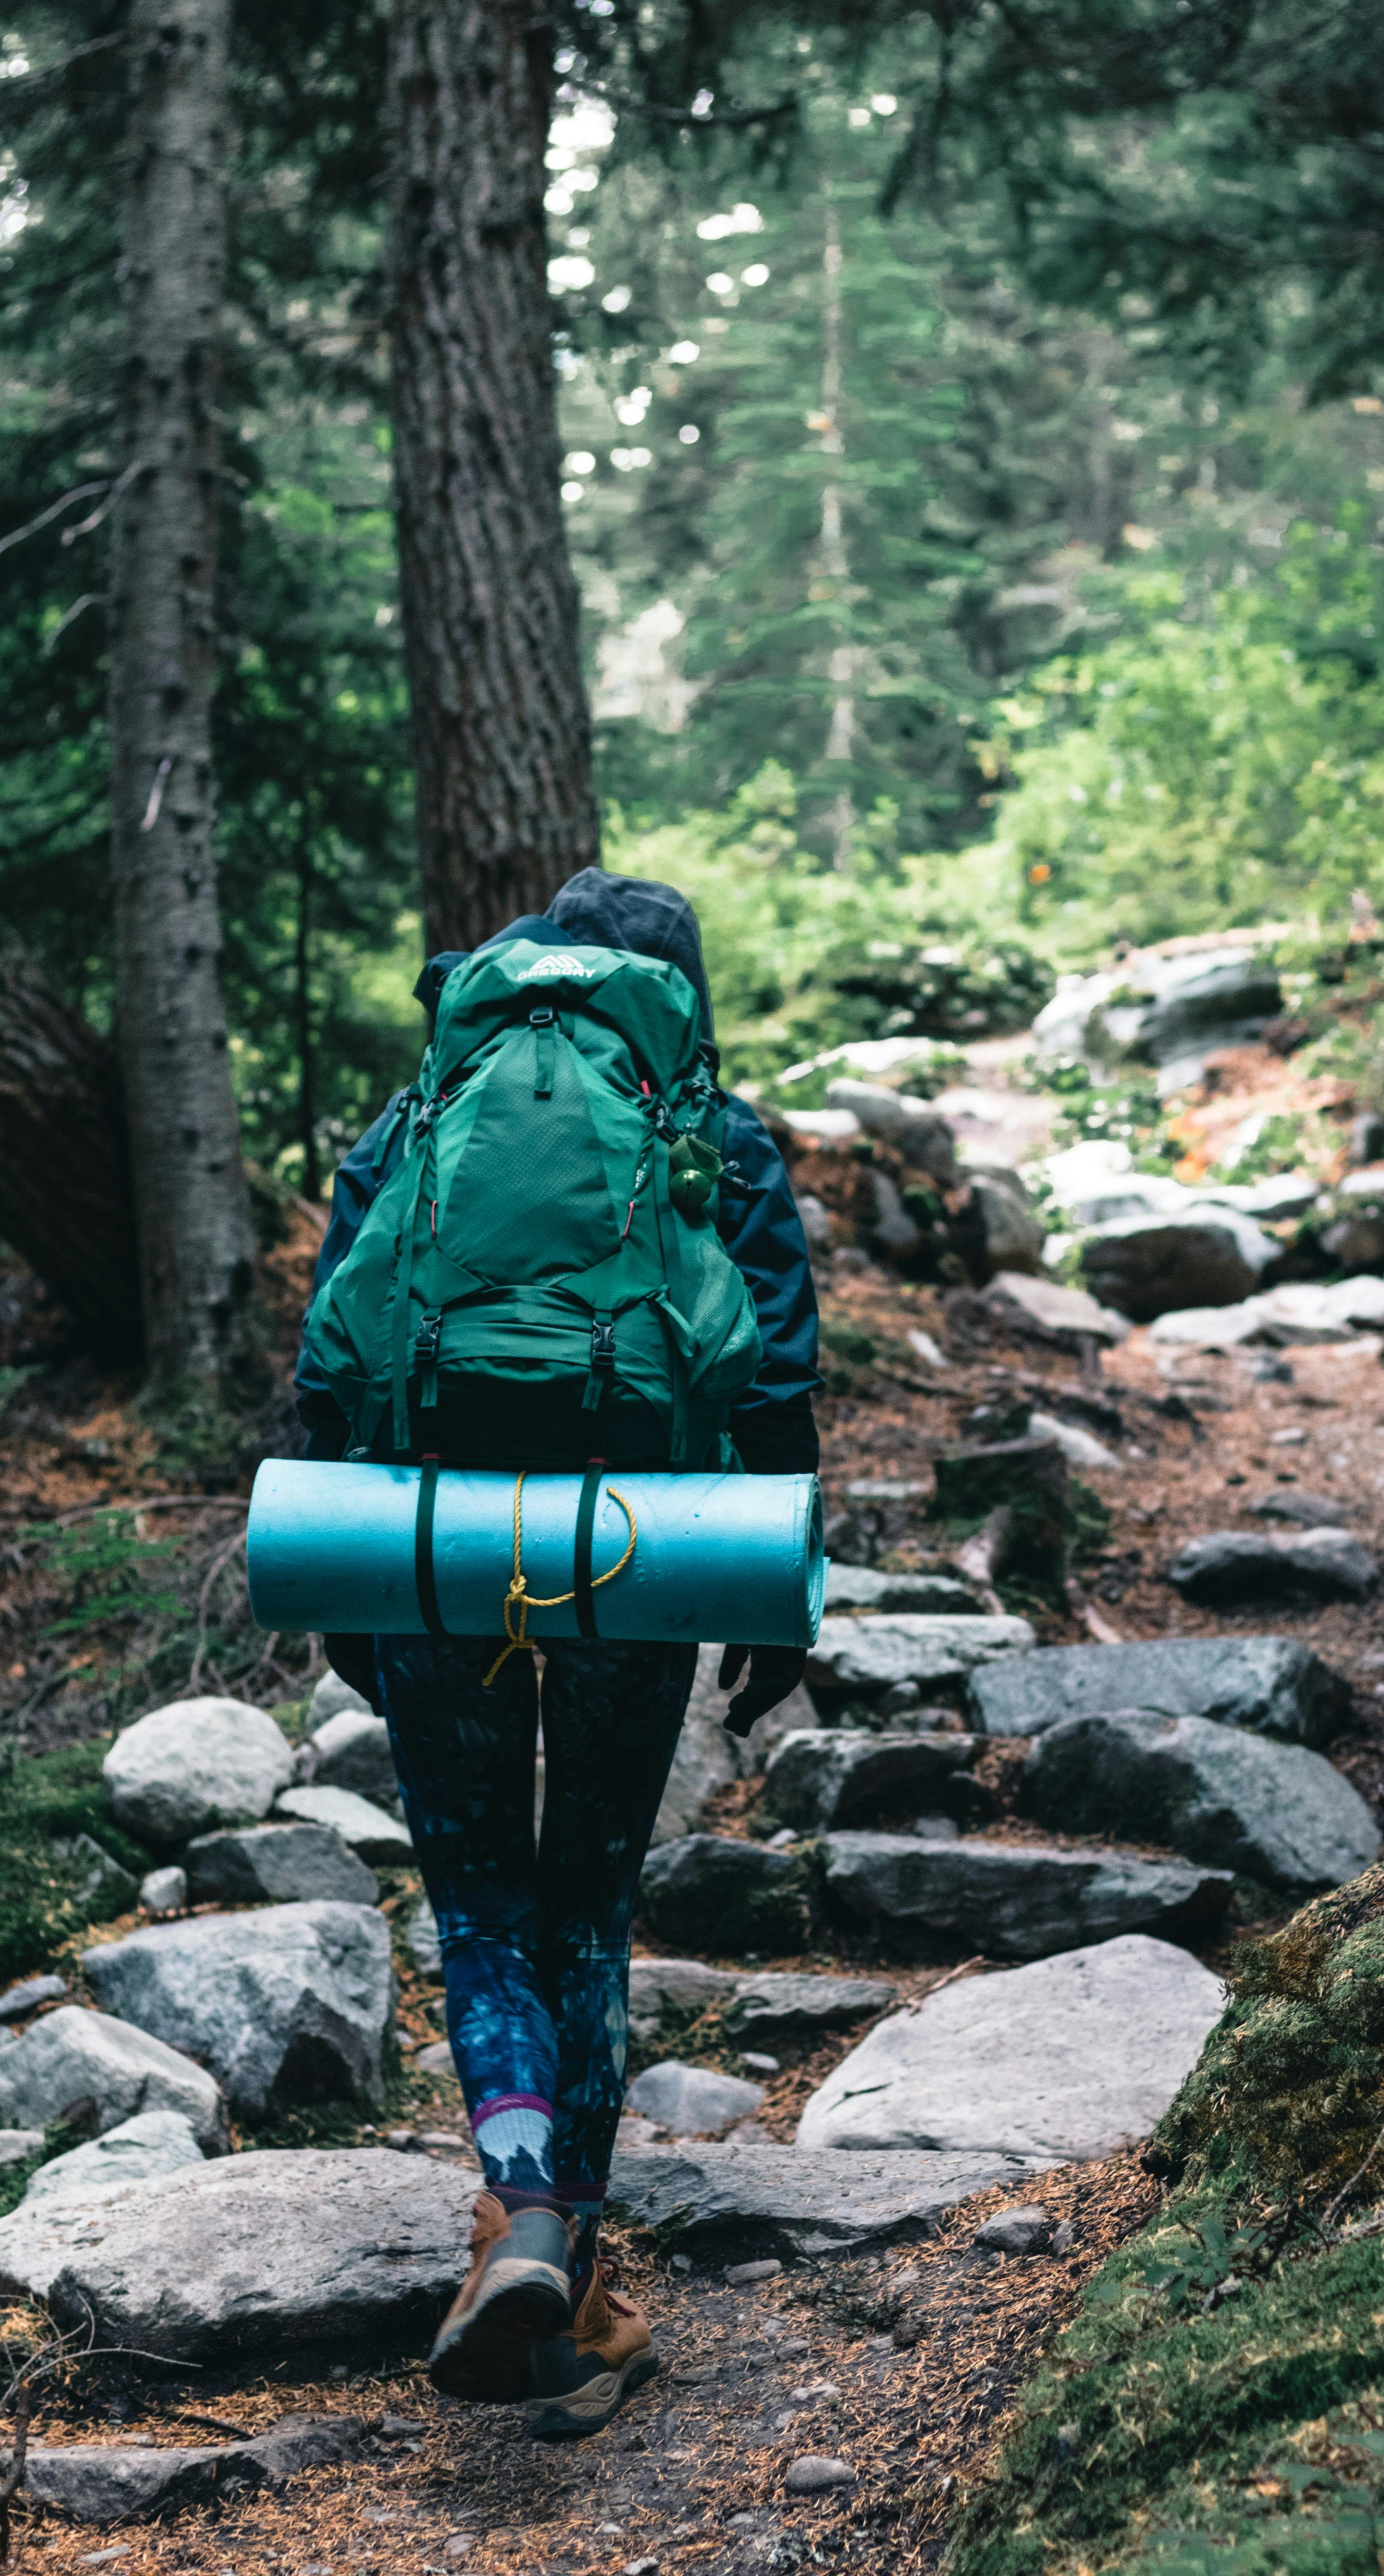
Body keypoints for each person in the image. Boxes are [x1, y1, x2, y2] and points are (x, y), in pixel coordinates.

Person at [293, 869, 819, 2438]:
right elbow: (774, 1382)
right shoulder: (712, 1136)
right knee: (586, 1901)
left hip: (430, 1546)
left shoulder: (420, 1118)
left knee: (478, 1904)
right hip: (635, 1545)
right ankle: (561, 2264)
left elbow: (331, 1358)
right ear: (676, 997)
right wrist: (771, 1603)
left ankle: (522, 2216)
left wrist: (347, 1595)